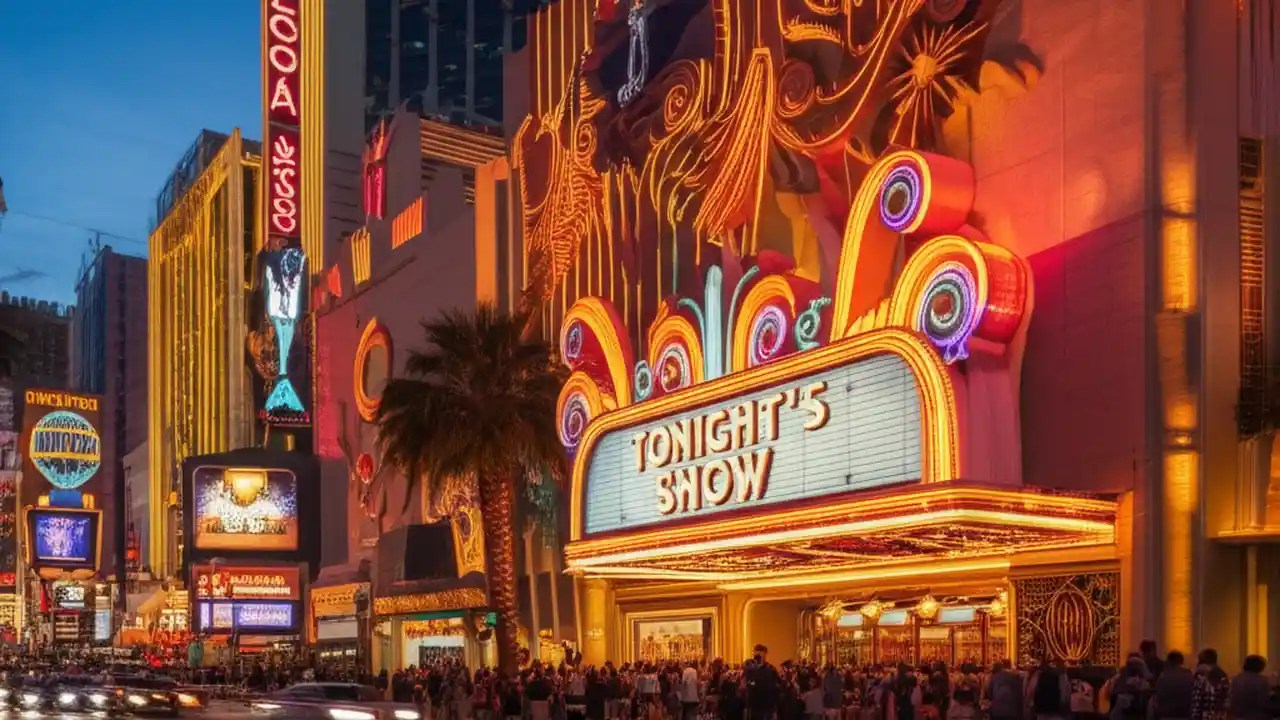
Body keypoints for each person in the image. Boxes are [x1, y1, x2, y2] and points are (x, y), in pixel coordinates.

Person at [1153, 651, 1195, 720]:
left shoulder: (1163, 676)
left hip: (1166, 715)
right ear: (1181, 661)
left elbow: (1157, 697)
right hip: (1185, 715)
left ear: (1169, 661)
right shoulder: (1189, 674)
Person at [1227, 655, 1272, 720]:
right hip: (1255, 716)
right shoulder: (1262, 681)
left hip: (1236, 716)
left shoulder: (1235, 679)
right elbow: (1264, 702)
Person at [1190, 649, 1230, 720]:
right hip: (1218, 716)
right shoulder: (1223, 676)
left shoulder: (1200, 677)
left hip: (1205, 716)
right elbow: (1227, 699)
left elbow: (1197, 702)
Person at [747, 645, 781, 720]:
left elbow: (775, 689)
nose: (757, 656)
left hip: (767, 706)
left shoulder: (771, 669)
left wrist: (774, 709)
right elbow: (747, 684)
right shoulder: (750, 669)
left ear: (765, 654)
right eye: (756, 653)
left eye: (760, 653)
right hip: (754, 705)